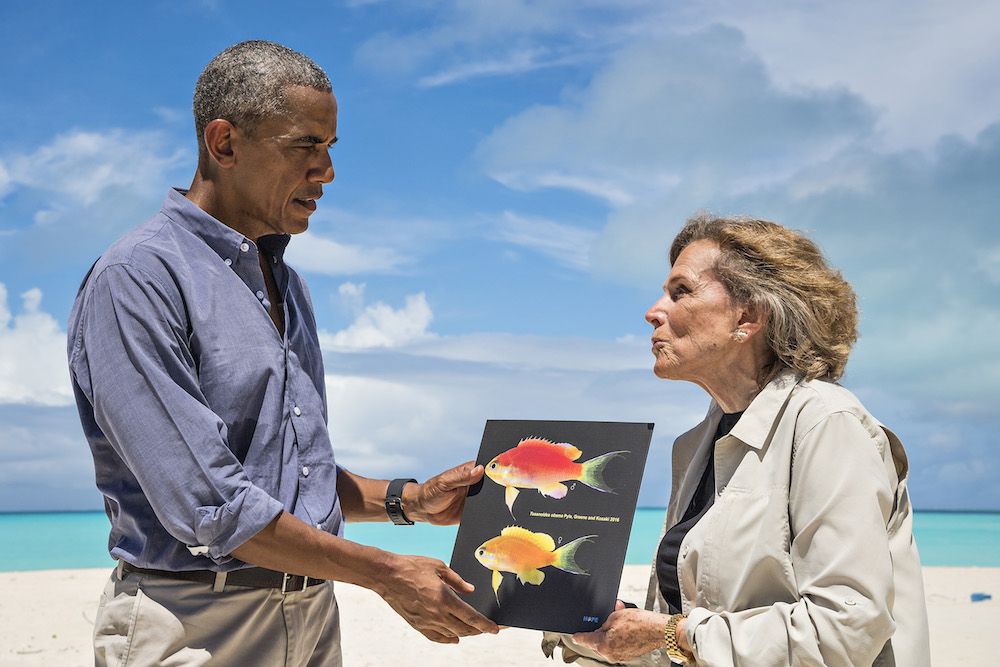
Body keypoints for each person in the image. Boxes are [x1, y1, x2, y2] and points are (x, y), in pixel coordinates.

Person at [67, 40, 497, 666]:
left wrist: (407, 500)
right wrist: (384, 573)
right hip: (195, 628)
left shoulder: (287, 285)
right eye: (305, 146)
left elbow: (289, 479)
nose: (326, 171)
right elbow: (211, 505)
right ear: (224, 143)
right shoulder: (135, 279)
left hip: (313, 614)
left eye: (329, 148)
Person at [543, 214, 930, 666]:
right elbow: (691, 641)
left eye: (680, 291)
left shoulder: (827, 422)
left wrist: (671, 634)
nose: (653, 311)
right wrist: (604, 629)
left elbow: (845, 629)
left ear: (748, 316)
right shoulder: (694, 445)